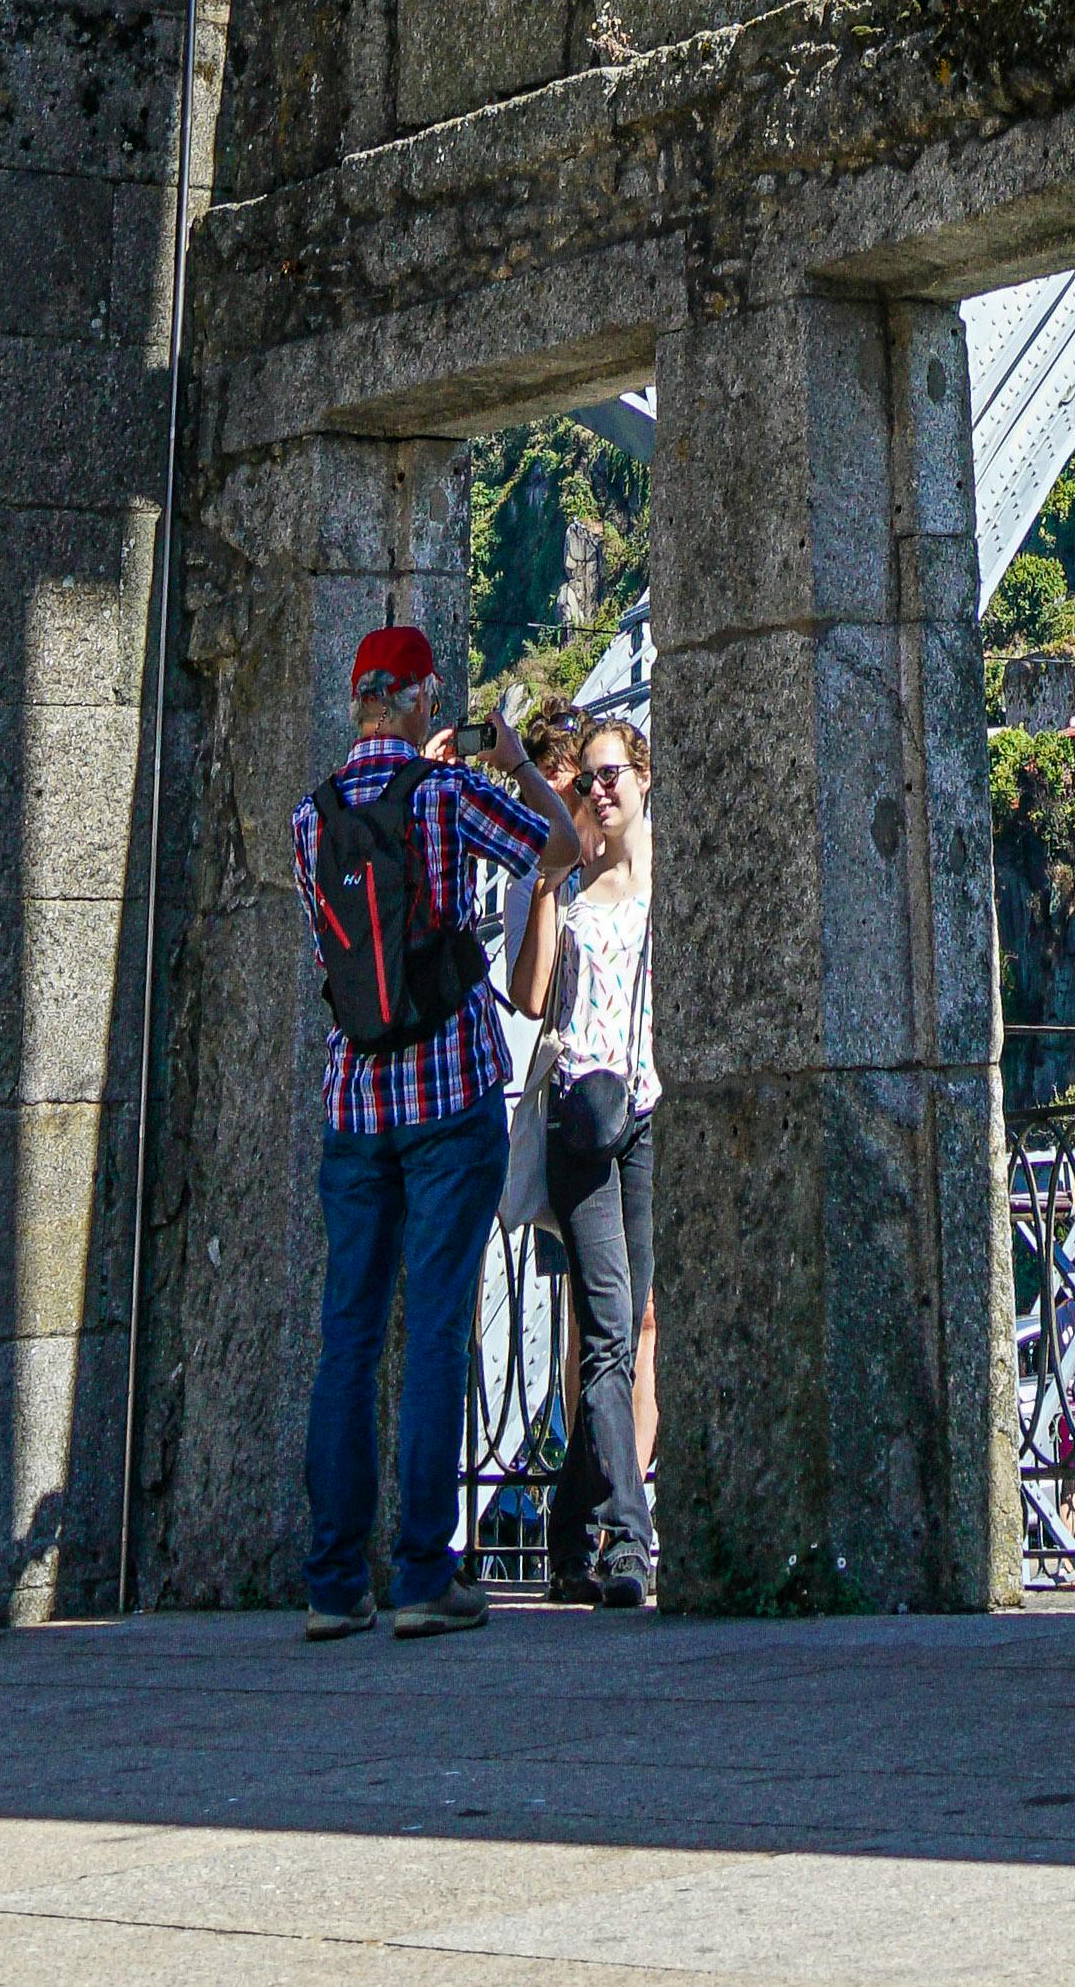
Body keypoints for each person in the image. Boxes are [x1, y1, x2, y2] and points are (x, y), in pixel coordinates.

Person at [292, 627, 554, 1640]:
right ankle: (421, 1572)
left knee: (348, 1334)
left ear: (358, 697)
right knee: (437, 1326)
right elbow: (555, 848)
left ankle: (330, 1582)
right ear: (421, 696)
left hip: (353, 1100)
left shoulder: (307, 821)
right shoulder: (446, 797)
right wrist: (512, 762)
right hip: (448, 1093)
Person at [532, 716, 659, 1611]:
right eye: (587, 782)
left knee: (630, 1323)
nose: (600, 790)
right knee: (608, 1326)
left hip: (647, 1119)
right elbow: (529, 994)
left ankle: (565, 1521)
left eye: (612, 775)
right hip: (578, 1120)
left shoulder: (673, 896)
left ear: (644, 779)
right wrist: (545, 874)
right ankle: (629, 1536)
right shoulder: (569, 896)